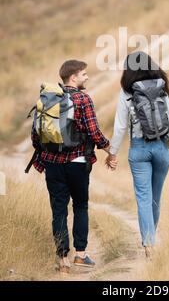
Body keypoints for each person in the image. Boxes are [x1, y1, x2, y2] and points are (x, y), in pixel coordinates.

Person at [31, 59, 110, 273]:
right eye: (84, 74)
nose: (87, 77)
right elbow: (93, 132)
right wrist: (109, 149)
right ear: (73, 77)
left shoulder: (48, 98)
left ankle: (63, 260)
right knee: (80, 206)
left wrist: (48, 154)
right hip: (77, 163)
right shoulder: (83, 99)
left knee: (58, 210)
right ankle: (80, 255)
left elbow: (35, 135)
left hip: (52, 164)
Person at [106, 51, 169, 259]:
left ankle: (148, 243)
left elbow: (121, 127)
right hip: (162, 148)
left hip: (138, 149)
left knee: (143, 198)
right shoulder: (162, 87)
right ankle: (151, 238)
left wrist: (112, 153)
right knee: (155, 198)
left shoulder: (126, 92)